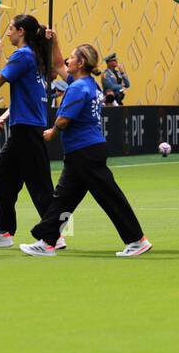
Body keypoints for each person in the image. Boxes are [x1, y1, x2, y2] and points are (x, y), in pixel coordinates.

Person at [20, 43, 151, 257]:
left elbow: (64, 119)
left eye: (72, 58)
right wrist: (54, 40)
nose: (67, 61)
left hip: (84, 151)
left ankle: (136, 240)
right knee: (64, 198)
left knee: (109, 197)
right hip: (85, 149)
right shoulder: (88, 84)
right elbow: (58, 62)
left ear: (80, 63)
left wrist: (51, 132)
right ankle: (47, 241)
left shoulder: (77, 88)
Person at [0, 14, 64, 249]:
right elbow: (29, 92)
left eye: (11, 28)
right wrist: (5, 116)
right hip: (26, 125)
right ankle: (4, 230)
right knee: (3, 175)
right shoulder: (36, 56)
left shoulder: (23, 55)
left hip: (27, 127)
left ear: (21, 31)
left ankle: (53, 234)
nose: (8, 33)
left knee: (38, 183)